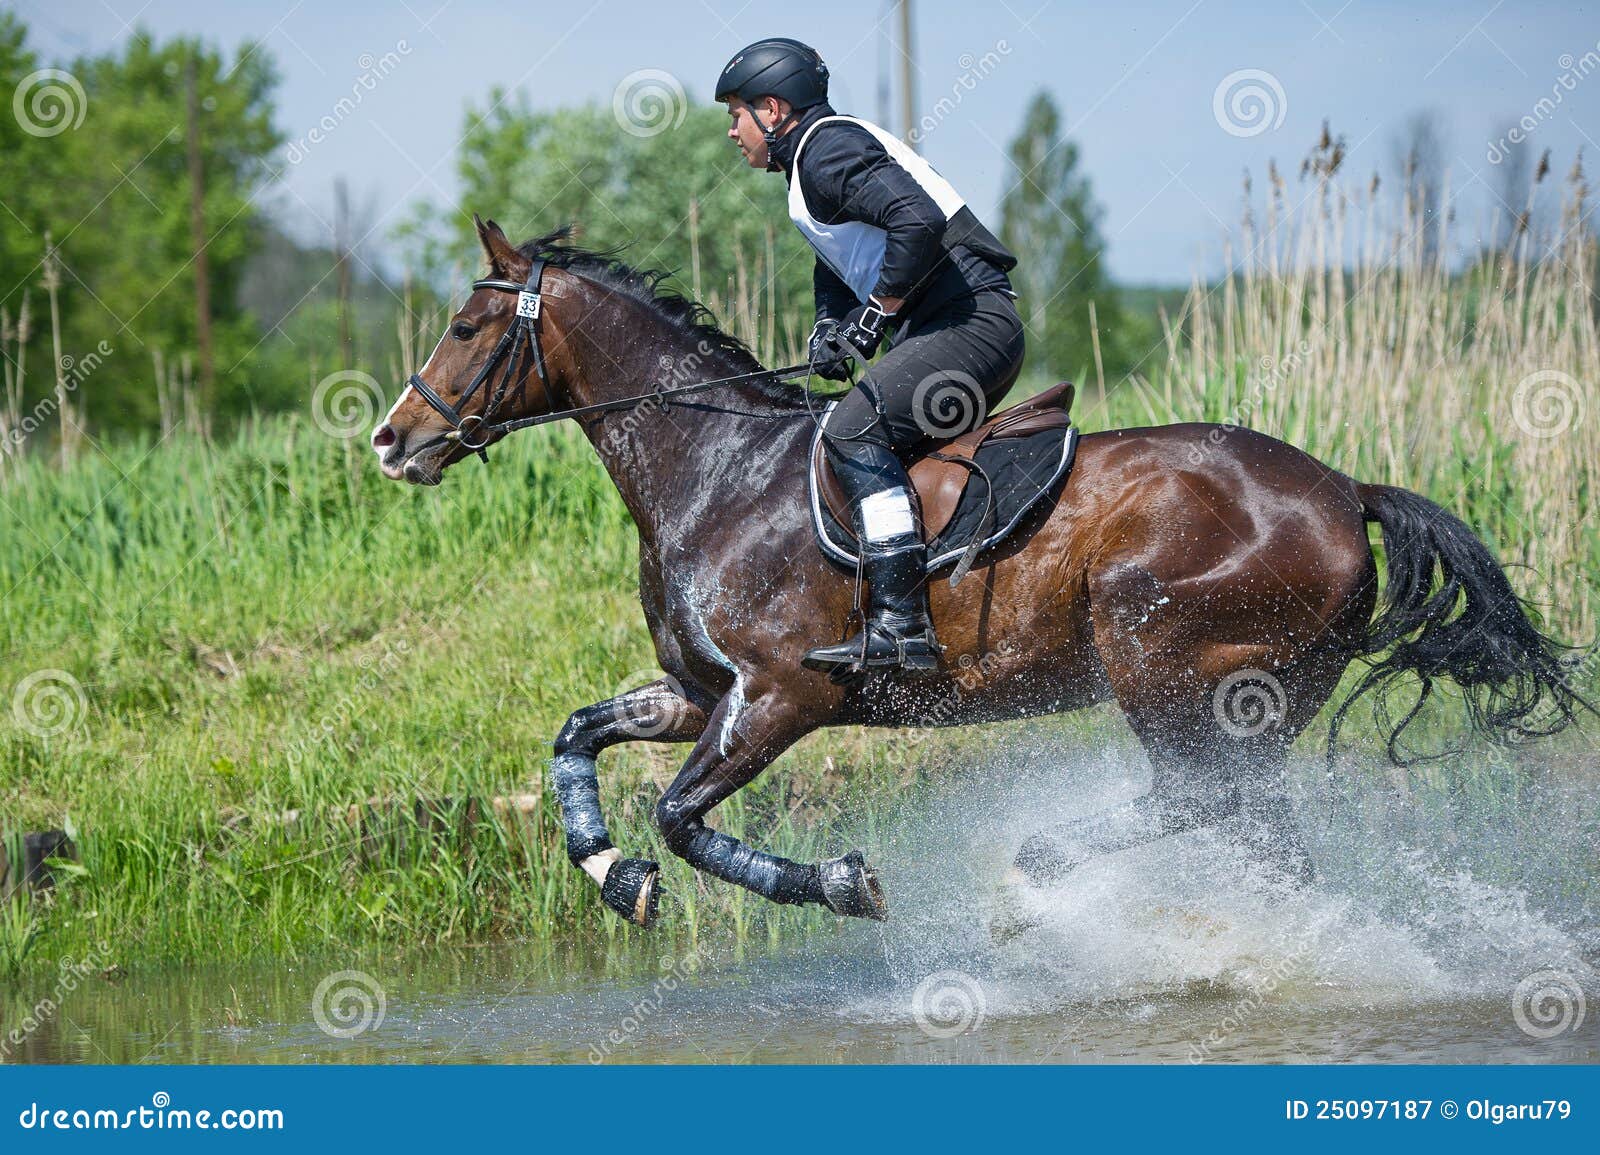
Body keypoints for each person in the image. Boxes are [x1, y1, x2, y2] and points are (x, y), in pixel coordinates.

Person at [716, 37, 1025, 678]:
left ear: (771, 109)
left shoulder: (826, 150)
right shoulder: (814, 160)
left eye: (736, 114)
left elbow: (918, 221)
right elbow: (839, 259)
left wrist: (876, 314)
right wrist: (832, 327)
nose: (731, 131)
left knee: (852, 429)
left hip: (970, 324)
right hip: (949, 326)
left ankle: (901, 625)